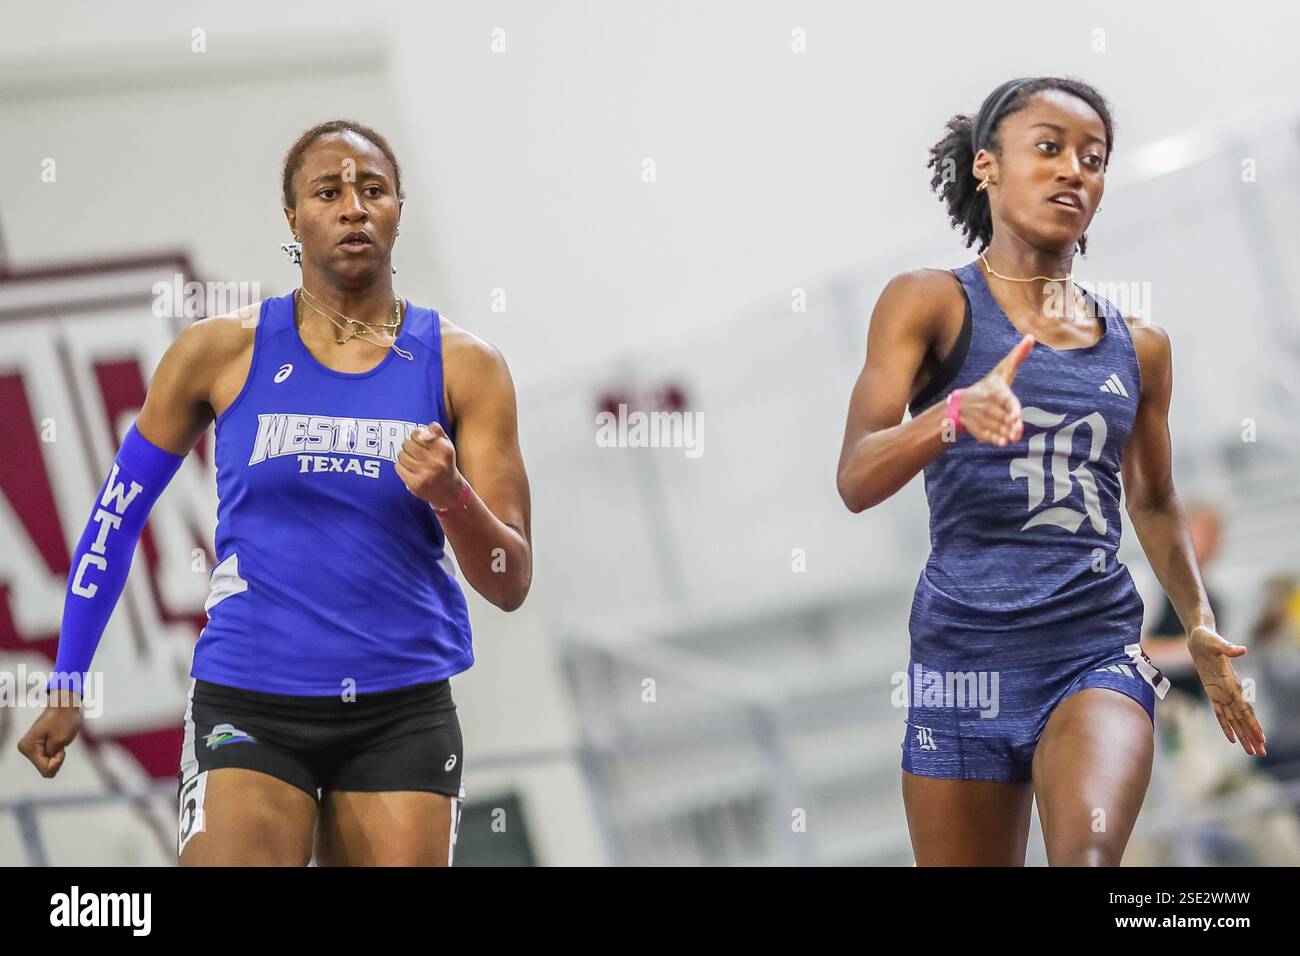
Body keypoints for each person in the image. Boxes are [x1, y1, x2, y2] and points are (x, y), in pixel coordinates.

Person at [17, 119, 533, 866]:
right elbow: (115, 517)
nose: (354, 206)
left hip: (401, 709)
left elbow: (510, 581)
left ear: (398, 209)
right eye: (328, 191)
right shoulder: (219, 353)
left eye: (374, 189)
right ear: (292, 218)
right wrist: (69, 680)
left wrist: (452, 494)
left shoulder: (464, 367)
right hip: (251, 699)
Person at [836, 77, 1265, 866]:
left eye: (1093, 159)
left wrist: (1197, 619)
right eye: (1049, 148)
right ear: (986, 166)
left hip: (1092, 651)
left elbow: (1156, 497)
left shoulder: (1139, 346)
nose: (1074, 169)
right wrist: (952, 415)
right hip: (959, 666)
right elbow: (857, 477)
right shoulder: (927, 303)